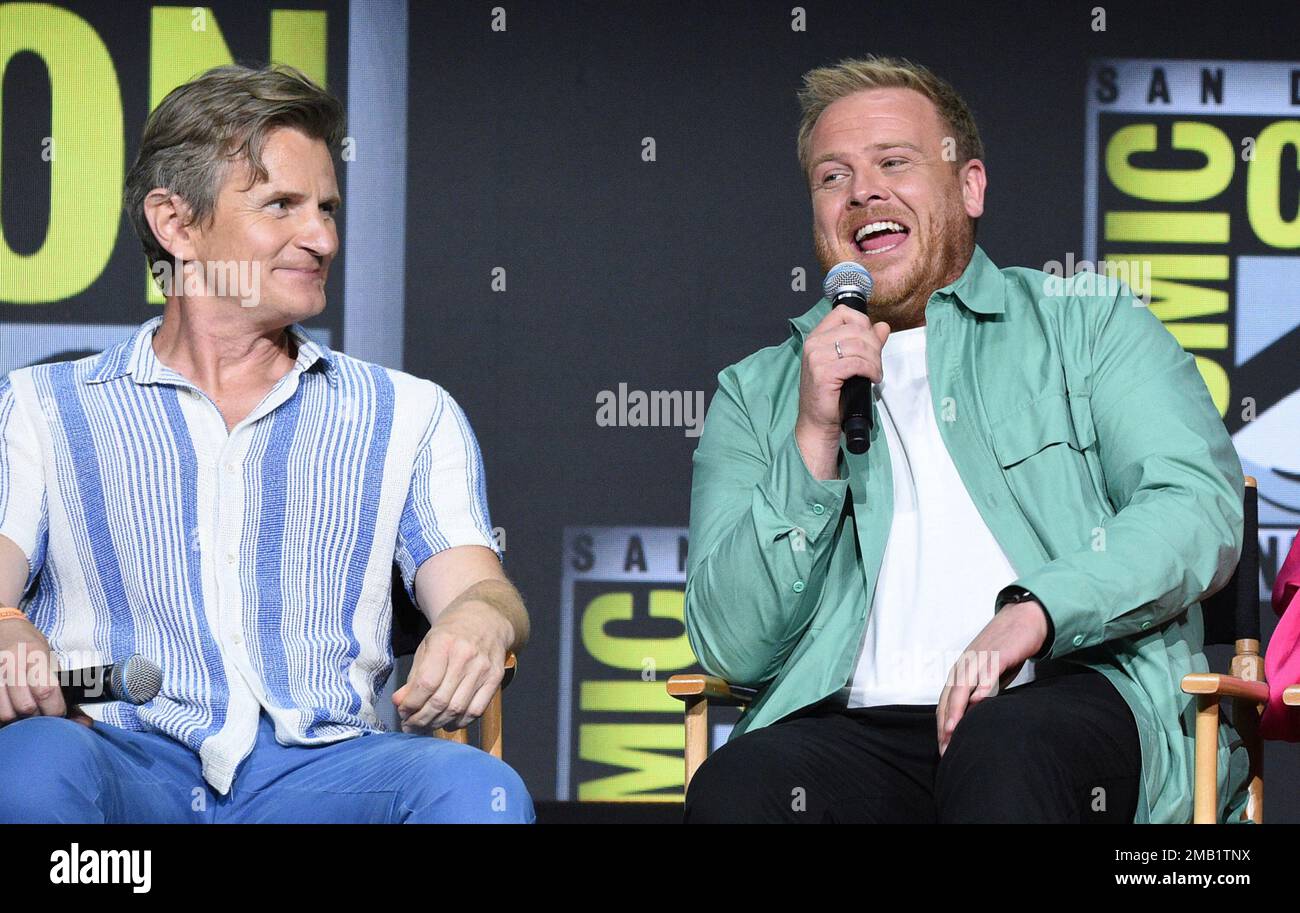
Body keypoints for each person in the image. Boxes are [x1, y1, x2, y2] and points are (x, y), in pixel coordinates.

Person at [682, 55, 1250, 823]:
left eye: (894, 162)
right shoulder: (758, 393)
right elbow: (730, 646)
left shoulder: (1085, 322)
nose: (863, 192)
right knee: (737, 788)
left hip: (1061, 698)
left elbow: (1194, 505)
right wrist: (813, 437)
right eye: (832, 176)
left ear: (970, 185)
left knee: (1003, 749)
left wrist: (1037, 609)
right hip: (853, 729)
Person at [0, 64, 533, 823]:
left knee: (477, 792)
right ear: (175, 223)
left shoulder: (409, 413)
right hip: (122, 764)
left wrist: (483, 618)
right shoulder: (42, 408)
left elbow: (478, 587)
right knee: (30, 766)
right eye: (282, 204)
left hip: (328, 772)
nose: (321, 237)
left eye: (327, 208)